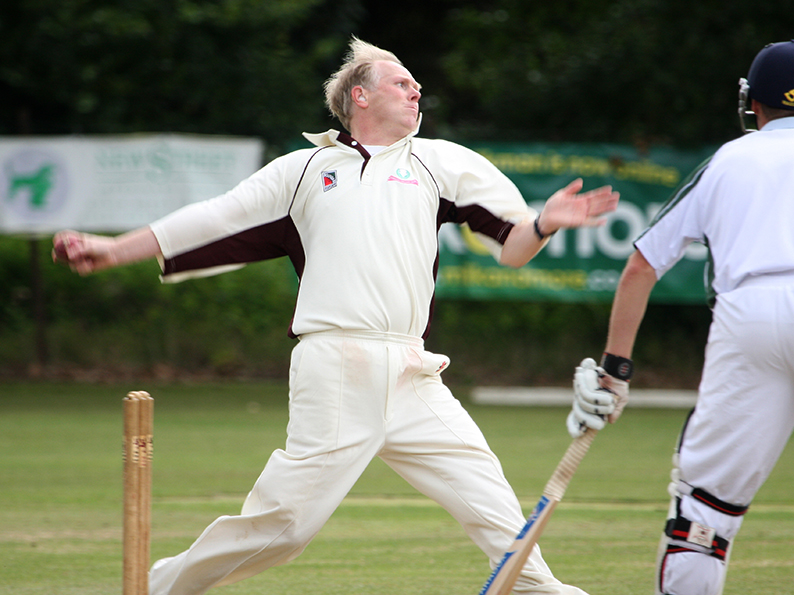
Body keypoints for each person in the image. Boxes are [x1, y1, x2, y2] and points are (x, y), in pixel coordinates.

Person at [54, 37, 619, 595]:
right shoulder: (304, 170)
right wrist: (111, 249)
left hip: (414, 372)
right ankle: (151, 590)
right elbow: (211, 219)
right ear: (359, 96)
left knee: (494, 505)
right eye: (401, 81)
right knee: (285, 529)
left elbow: (515, 247)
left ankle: (543, 590)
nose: (416, 89)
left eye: (416, 83)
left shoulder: (440, 162)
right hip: (339, 364)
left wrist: (545, 223)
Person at [567, 40, 794, 595]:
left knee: (704, 513)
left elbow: (642, 266)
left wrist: (615, 369)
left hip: (751, 314)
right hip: (751, 311)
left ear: (753, 103)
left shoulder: (730, 159)